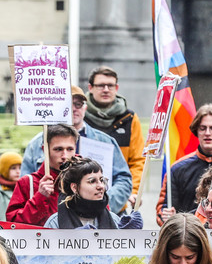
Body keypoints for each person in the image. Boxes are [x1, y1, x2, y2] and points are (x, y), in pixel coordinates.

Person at [21, 86, 132, 214]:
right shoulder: (36, 144)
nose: (73, 109)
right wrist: (41, 200)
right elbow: (26, 187)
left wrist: (101, 205)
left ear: (85, 108)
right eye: (67, 104)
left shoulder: (105, 141)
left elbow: (123, 180)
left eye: (78, 104)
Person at [158, 104, 212, 218]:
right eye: (202, 128)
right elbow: (163, 208)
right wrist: (167, 216)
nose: (207, 133)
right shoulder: (177, 169)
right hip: (188, 228)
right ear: (196, 131)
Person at [82, 66, 144, 199]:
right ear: (90, 88)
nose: (106, 89)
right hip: (83, 196)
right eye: (100, 85)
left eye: (110, 85)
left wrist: (132, 191)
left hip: (118, 197)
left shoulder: (129, 119)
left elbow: (138, 160)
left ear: (116, 88)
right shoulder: (79, 117)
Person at [6, 124, 78, 225]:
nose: (64, 156)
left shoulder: (85, 180)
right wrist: (39, 198)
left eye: (70, 149)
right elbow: (13, 224)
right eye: (58, 149)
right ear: (45, 150)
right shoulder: (27, 183)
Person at [44, 155, 140, 229]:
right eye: (92, 181)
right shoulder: (54, 223)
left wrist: (130, 236)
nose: (101, 186)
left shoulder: (114, 220)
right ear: (74, 187)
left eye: (101, 180)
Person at [0, 150, 22, 221]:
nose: (18, 171)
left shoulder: (21, 188)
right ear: (4, 170)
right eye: (13, 168)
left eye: (20, 168)